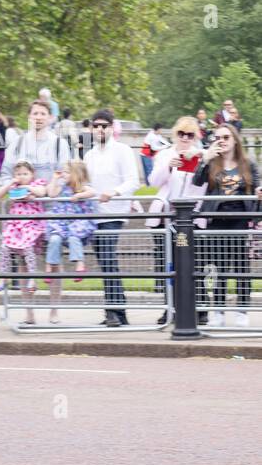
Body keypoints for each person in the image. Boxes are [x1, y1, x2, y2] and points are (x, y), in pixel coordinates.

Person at [192, 122, 260, 327]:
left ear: (235, 140)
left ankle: (242, 311)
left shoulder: (248, 164)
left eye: (225, 137)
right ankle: (219, 312)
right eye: (218, 137)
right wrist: (205, 159)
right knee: (219, 268)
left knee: (241, 268)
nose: (221, 141)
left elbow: (258, 184)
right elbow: (197, 181)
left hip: (239, 220)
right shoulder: (213, 163)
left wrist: (259, 191)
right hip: (216, 219)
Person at [147, 115, 209, 324]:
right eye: (181, 134)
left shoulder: (201, 156)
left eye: (189, 134)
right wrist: (169, 167)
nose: (185, 138)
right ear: (176, 134)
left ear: (195, 137)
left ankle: (199, 308)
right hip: (166, 216)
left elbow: (203, 187)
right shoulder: (165, 154)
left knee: (194, 264)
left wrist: (198, 162)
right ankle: (170, 307)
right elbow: (153, 181)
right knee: (169, 264)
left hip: (190, 217)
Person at [83, 110, 141, 326]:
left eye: (104, 125)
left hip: (114, 211)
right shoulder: (89, 155)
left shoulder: (122, 150)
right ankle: (118, 311)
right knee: (105, 262)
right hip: (94, 213)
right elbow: (87, 183)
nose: (100, 129)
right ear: (91, 129)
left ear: (111, 127)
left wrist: (114, 193)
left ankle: (113, 311)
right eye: (96, 126)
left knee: (108, 258)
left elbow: (133, 181)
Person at [0, 162, 48, 325]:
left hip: (31, 223)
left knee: (27, 247)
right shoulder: (14, 185)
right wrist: (10, 183)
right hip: (16, 223)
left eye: (25, 173)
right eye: (19, 174)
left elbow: (41, 192)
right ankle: (3, 277)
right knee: (4, 247)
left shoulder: (37, 184)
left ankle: (32, 277)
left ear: (32, 174)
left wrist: (29, 189)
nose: (21, 177)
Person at [43, 160, 97, 324]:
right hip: (61, 222)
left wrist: (78, 195)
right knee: (54, 238)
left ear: (76, 174)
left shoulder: (81, 188)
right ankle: (49, 265)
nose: (64, 174)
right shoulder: (61, 187)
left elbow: (92, 192)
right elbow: (51, 194)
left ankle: (79, 264)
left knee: (74, 237)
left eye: (67, 172)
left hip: (77, 221)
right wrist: (54, 178)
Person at [2, 100, 71, 183]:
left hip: (51, 195)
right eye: (35, 113)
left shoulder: (60, 144)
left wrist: (45, 190)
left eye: (43, 114)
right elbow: (6, 175)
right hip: (22, 195)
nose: (38, 117)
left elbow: (64, 176)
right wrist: (16, 190)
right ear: (29, 117)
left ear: (50, 117)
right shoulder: (17, 143)